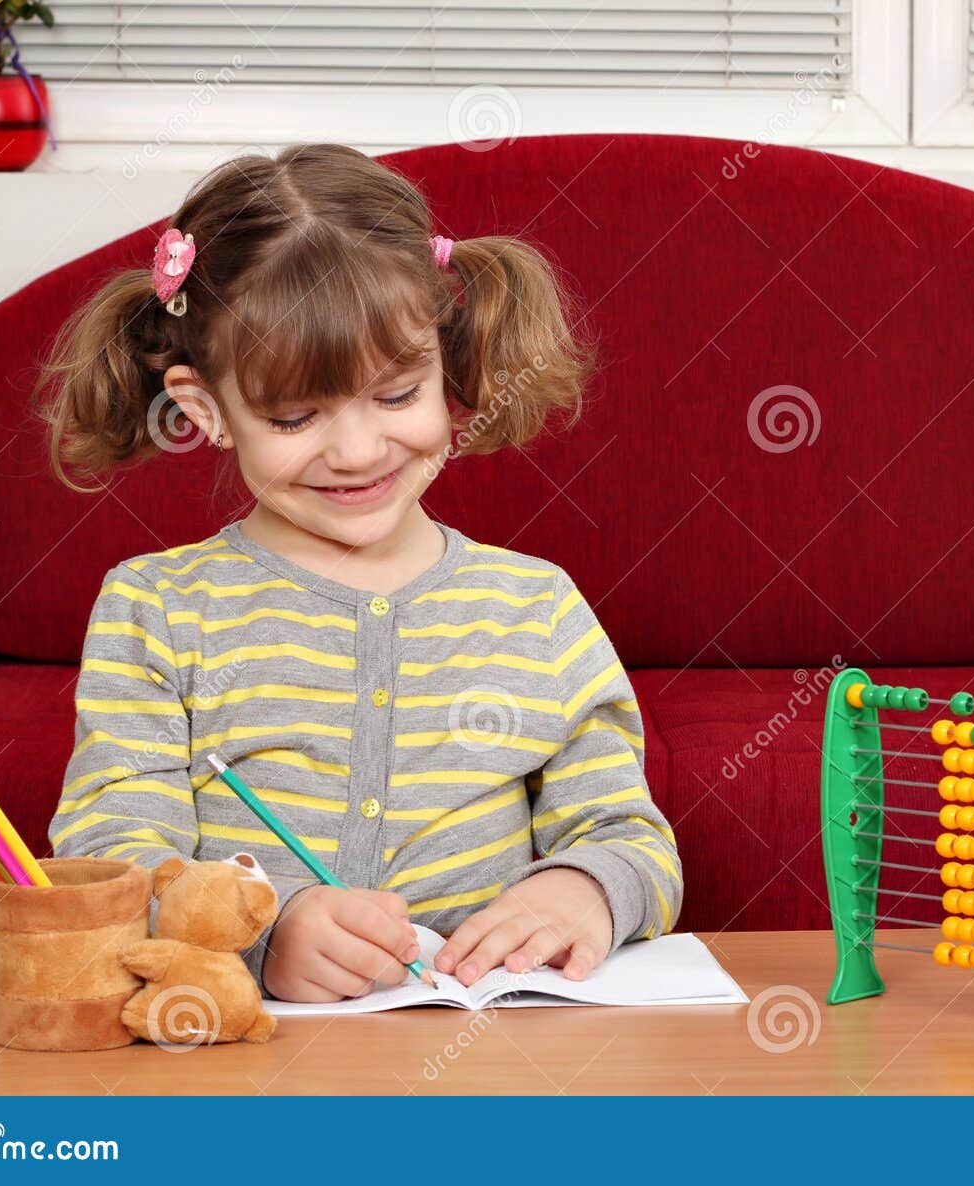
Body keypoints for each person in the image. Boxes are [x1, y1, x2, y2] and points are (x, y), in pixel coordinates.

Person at [38, 143, 681, 1003]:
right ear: (205, 410)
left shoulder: (536, 605)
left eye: (395, 395)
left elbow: (626, 830)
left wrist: (588, 890)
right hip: (241, 1057)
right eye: (295, 414)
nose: (356, 450)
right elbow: (110, 851)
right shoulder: (155, 607)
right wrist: (263, 934)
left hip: (491, 1057)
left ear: (445, 371)